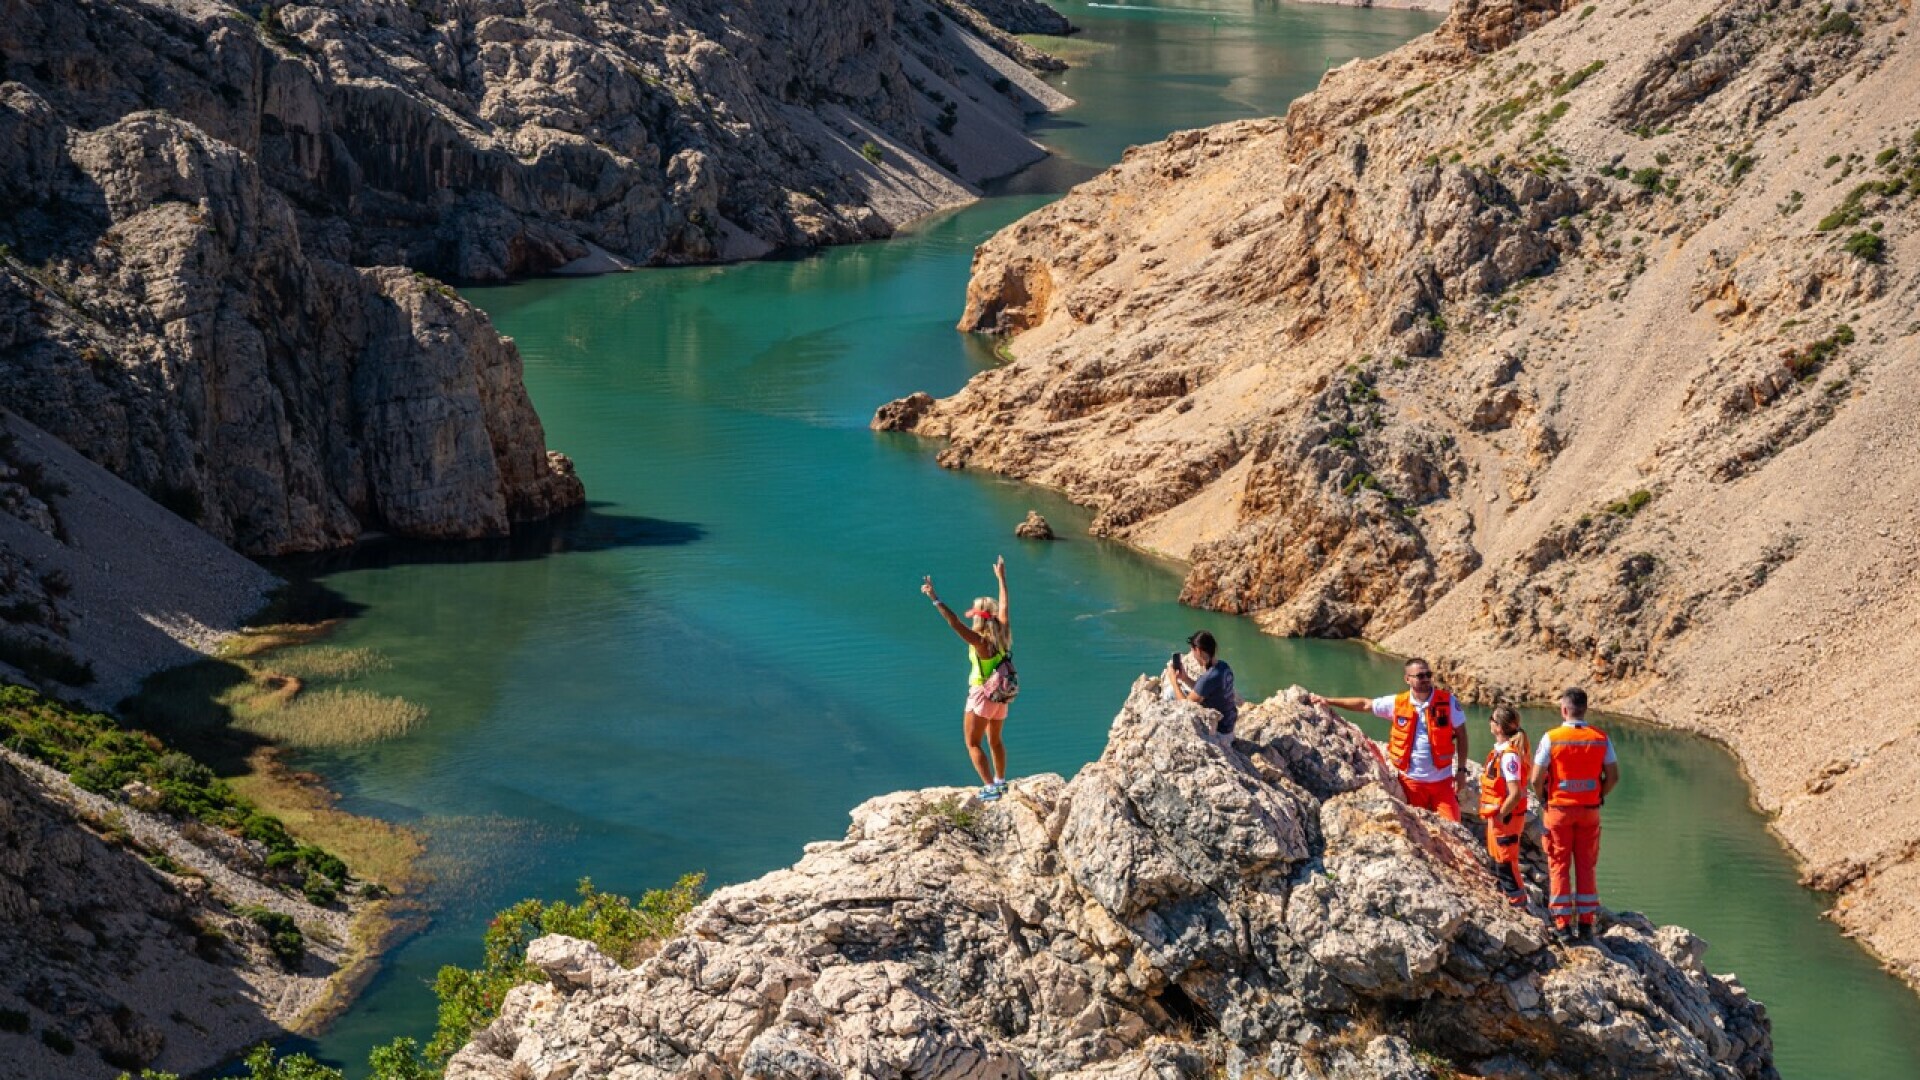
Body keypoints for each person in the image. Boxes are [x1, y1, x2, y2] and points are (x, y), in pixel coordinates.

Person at [1307, 658, 1469, 821]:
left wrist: (1461, 771)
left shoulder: (1448, 702)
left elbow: (1462, 736)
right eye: (1420, 676)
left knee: (1455, 828)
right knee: (1418, 830)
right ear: (1408, 679)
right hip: (1410, 783)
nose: (1426, 679)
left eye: (1428, 674)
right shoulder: (1397, 703)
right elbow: (1365, 704)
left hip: (1442, 782)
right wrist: (1329, 701)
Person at [1529, 687, 1619, 945]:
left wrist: (1543, 797)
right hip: (1589, 811)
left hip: (1558, 810)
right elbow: (1613, 776)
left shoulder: (1552, 738)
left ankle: (1562, 926)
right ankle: (1587, 924)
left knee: (1559, 865)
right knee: (1586, 865)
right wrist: (1599, 794)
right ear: (1585, 709)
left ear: (1564, 710)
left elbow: (1536, 777)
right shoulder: (1601, 738)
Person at [922, 557, 1012, 801]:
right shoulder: (1003, 635)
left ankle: (989, 787)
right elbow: (1004, 607)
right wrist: (1001, 579)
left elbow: (953, 622)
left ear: (979, 619)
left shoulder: (980, 641)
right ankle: (1001, 781)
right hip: (1002, 696)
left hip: (982, 695)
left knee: (973, 743)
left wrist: (935, 598)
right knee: (995, 740)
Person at [1480, 705, 1531, 907]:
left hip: (1506, 818)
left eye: (1491, 719)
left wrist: (1502, 814)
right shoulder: (1499, 751)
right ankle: (1505, 898)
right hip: (1497, 816)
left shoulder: (1509, 756)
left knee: (1506, 862)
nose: (1489, 722)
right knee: (1496, 859)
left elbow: (1515, 792)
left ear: (1499, 727)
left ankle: (1518, 902)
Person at [1164, 630, 1237, 735]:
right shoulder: (1223, 666)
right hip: (1229, 722)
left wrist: (1174, 681)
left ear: (1198, 650)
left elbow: (1186, 705)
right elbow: (1205, 690)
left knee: (1170, 693)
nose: (1193, 656)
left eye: (1193, 651)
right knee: (1179, 690)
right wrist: (1185, 678)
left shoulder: (1208, 678)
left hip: (1219, 729)